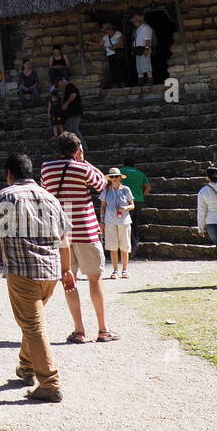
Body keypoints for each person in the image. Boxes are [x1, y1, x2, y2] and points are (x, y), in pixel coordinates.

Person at [0, 152, 72, 403]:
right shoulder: (50, 198)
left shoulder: (6, 195)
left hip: (23, 271)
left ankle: (49, 382)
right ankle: (26, 367)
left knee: (33, 325)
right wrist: (66, 270)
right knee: (31, 321)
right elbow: (65, 237)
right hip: (50, 272)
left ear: (9, 174)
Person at [41, 133, 118, 343]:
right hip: (85, 229)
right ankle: (103, 330)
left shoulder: (46, 168)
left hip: (61, 233)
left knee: (69, 281)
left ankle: (79, 330)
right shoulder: (82, 168)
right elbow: (104, 184)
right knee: (95, 278)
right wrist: (84, 161)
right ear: (78, 149)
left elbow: (46, 191)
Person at [101, 168, 134, 278]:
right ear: (109, 178)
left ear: (120, 177)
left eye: (116, 176)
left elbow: (132, 205)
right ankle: (115, 270)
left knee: (125, 247)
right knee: (113, 247)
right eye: (112, 177)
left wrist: (125, 208)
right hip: (110, 221)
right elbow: (102, 207)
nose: (114, 178)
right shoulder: (106, 190)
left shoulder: (126, 189)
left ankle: (124, 270)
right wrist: (101, 221)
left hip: (124, 221)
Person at [117, 157, 149, 252]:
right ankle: (135, 241)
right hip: (138, 200)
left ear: (124, 164)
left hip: (124, 201)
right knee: (134, 221)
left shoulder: (120, 172)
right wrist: (141, 195)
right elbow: (148, 188)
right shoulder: (140, 174)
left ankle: (128, 243)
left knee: (125, 222)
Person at [52, 75, 85, 149]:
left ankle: (83, 147)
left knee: (74, 130)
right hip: (71, 114)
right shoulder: (68, 88)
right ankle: (77, 148)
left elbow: (73, 95)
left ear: (60, 82)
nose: (60, 88)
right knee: (72, 131)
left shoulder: (70, 86)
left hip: (74, 113)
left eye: (59, 86)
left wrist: (66, 104)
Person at [131, 12, 155, 86]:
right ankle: (140, 82)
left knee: (146, 66)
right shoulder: (139, 29)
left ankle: (150, 82)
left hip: (144, 49)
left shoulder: (145, 28)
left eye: (134, 21)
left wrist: (147, 49)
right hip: (138, 50)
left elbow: (148, 40)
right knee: (139, 67)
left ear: (138, 21)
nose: (133, 23)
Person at [101, 23, 127, 88]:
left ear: (110, 29)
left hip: (117, 54)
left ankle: (122, 82)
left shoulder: (118, 33)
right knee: (113, 70)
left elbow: (121, 42)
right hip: (110, 55)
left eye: (106, 30)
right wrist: (89, 43)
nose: (106, 31)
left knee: (120, 68)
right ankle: (116, 83)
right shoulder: (105, 36)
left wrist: (114, 47)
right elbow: (100, 43)